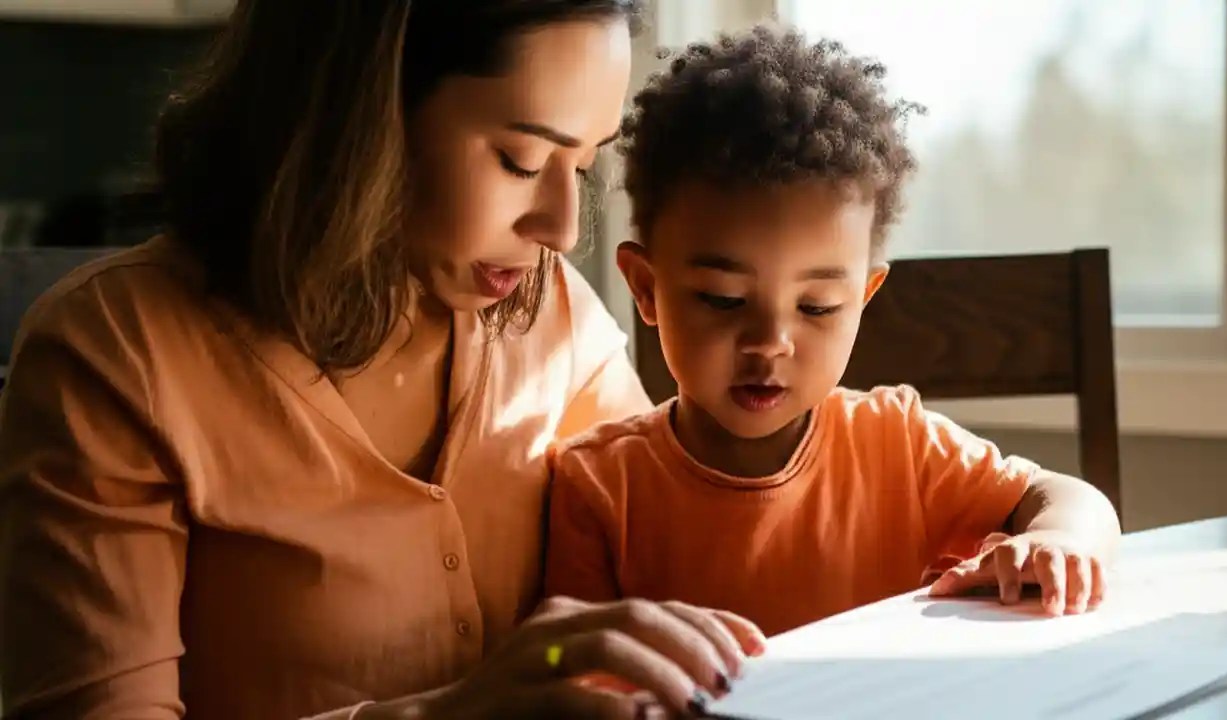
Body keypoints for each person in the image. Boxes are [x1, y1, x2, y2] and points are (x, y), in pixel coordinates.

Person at [0, 2, 766, 718]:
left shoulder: (558, 322)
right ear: (361, 117)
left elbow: (674, 557)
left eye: (586, 164)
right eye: (521, 159)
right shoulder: (115, 355)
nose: (562, 228)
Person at [544, 25, 1122, 639]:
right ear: (645, 289)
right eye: (723, 299)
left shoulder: (899, 446)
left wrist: (1058, 539)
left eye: (817, 306)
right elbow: (558, 662)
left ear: (862, 299)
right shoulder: (597, 489)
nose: (770, 341)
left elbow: (1065, 496)